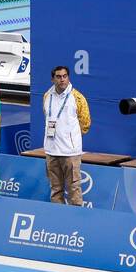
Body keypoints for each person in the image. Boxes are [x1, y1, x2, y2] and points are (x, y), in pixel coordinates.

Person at [42, 65, 90, 205]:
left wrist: (69, 138)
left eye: (65, 76)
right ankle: (57, 220)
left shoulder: (77, 98)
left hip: (70, 152)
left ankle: (75, 221)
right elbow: (47, 116)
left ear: (68, 78)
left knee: (74, 189)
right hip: (51, 151)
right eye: (58, 77)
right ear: (53, 79)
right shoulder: (47, 96)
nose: (62, 79)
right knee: (55, 189)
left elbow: (85, 123)